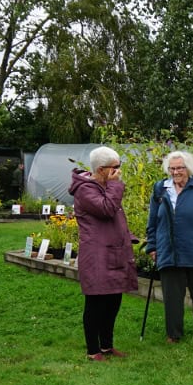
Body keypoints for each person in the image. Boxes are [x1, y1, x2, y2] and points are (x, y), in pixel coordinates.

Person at [145, 151, 193, 343]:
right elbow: (153, 221)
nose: (175, 172)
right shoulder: (160, 189)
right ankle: (174, 334)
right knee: (172, 297)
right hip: (169, 251)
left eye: (179, 168)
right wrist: (152, 246)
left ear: (188, 168)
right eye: (172, 168)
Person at [69, 146, 138, 361]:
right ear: (101, 169)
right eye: (115, 168)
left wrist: (129, 236)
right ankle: (93, 350)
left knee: (113, 301)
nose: (119, 172)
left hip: (114, 252)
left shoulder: (106, 187)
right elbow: (107, 209)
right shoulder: (85, 190)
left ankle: (107, 346)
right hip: (97, 255)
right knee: (96, 303)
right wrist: (116, 186)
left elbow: (113, 218)